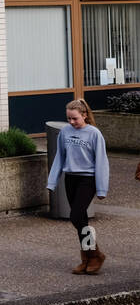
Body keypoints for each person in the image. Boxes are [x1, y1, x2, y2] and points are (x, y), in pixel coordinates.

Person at [47, 99, 110, 275]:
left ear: (84, 115)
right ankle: (88, 258)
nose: (71, 122)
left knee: (75, 216)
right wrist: (52, 182)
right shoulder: (65, 132)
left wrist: (101, 188)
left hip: (87, 180)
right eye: (68, 119)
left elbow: (102, 162)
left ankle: (95, 255)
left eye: (75, 118)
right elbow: (59, 157)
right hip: (70, 178)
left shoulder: (94, 133)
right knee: (81, 220)